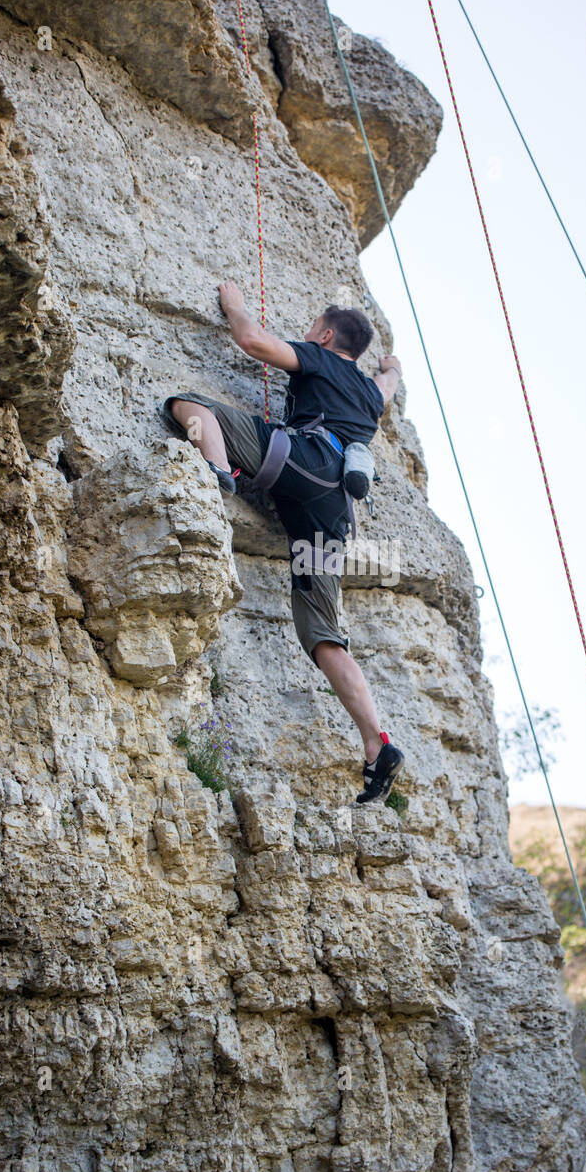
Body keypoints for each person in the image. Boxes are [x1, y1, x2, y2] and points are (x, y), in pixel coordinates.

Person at [159, 280, 404, 804]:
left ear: (327, 333)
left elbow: (253, 342)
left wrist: (235, 306)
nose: (308, 332)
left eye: (315, 327)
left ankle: (219, 472)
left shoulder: (319, 356)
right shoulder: (369, 392)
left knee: (188, 407)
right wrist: (392, 366)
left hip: (298, 461)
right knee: (322, 633)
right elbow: (388, 384)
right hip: (333, 507)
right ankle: (376, 743)